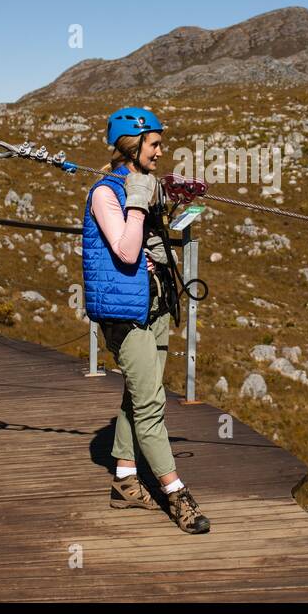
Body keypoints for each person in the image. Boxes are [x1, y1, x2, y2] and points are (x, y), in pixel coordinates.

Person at [82, 107, 210, 534]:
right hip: (124, 314)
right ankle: (177, 495)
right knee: (151, 404)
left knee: (139, 395)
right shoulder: (105, 193)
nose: (160, 151)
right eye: (154, 144)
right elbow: (126, 251)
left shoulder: (141, 185)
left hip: (151, 305)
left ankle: (124, 481)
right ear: (133, 147)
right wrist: (137, 202)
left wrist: (166, 200)